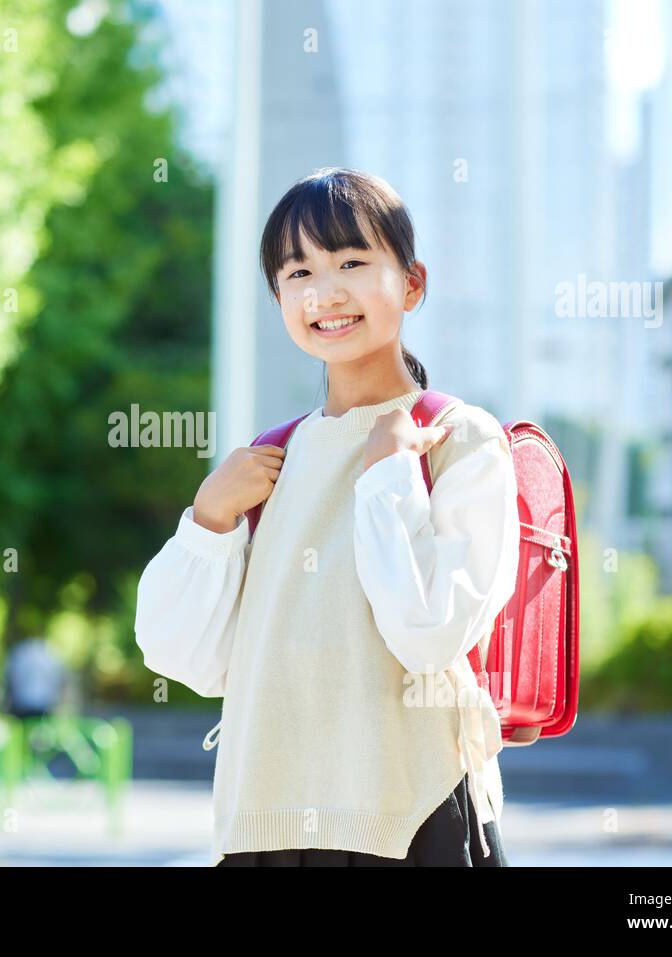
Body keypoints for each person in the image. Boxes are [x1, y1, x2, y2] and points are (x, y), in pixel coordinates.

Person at [135, 168, 519, 867]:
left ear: (411, 282)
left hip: (409, 817)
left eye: (351, 262)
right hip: (264, 824)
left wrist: (389, 476)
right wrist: (208, 517)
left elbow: (429, 632)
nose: (325, 291)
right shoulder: (267, 462)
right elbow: (183, 657)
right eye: (298, 270)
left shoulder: (457, 437)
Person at [2, 636, 65, 721]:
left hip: (24, 702)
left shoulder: (19, 653)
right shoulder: (49, 654)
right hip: (41, 702)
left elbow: (11, 678)